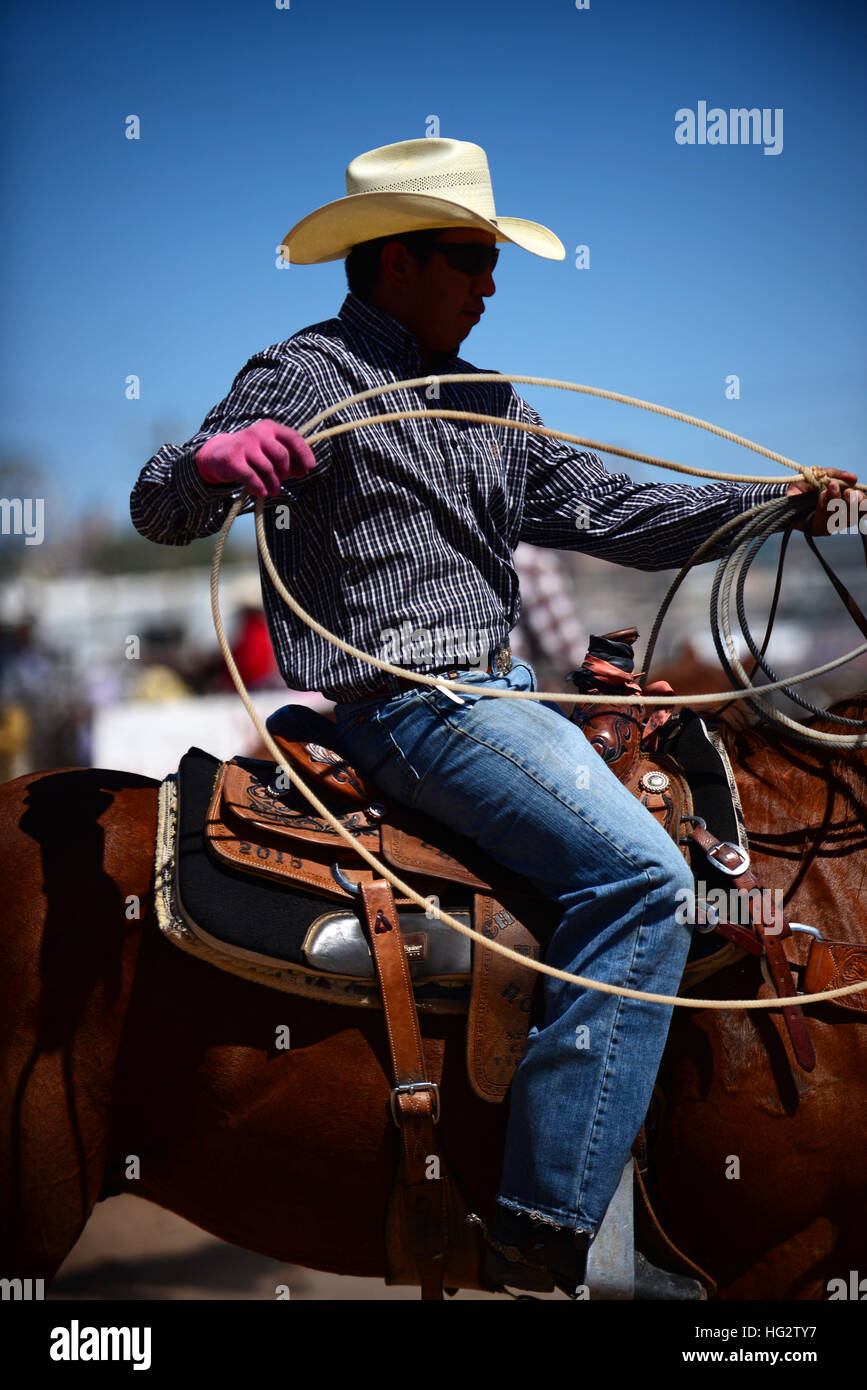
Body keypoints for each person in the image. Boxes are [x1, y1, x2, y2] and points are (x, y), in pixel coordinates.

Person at [130, 137, 863, 1298]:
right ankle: (546, 1219)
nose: (490, 283)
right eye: (473, 258)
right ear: (399, 264)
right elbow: (159, 503)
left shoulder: (487, 401)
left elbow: (615, 507)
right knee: (640, 881)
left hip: (503, 695)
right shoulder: (305, 374)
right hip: (411, 706)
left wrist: (769, 504)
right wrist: (213, 462)